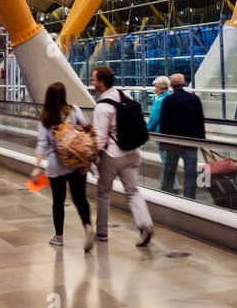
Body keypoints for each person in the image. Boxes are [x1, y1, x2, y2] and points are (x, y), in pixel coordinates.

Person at [91, 65, 154, 246]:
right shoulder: (126, 96)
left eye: (94, 79)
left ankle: (101, 233)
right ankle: (145, 224)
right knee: (132, 191)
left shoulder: (102, 107)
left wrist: (92, 159)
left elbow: (100, 138)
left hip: (112, 155)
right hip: (132, 152)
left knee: (103, 193)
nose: (93, 83)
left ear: (102, 82)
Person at [32, 82, 95, 250]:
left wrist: (37, 166)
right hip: (75, 161)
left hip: (55, 165)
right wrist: (88, 161)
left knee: (58, 201)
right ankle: (87, 225)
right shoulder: (74, 110)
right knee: (80, 198)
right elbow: (85, 132)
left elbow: (41, 143)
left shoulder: (45, 118)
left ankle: (58, 237)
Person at [158, 73, 204, 200]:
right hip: (190, 143)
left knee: (169, 170)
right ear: (183, 84)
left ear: (171, 86)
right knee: (190, 173)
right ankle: (190, 198)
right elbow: (200, 121)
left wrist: (163, 142)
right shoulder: (194, 99)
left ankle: (165, 195)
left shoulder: (168, 101)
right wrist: (202, 141)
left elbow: (164, 122)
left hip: (173, 143)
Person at [146, 76, 173, 190]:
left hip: (161, 133)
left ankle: (169, 185)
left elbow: (153, 119)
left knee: (166, 160)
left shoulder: (159, 100)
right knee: (170, 160)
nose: (154, 89)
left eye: (156, 87)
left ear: (161, 88)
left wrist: (147, 131)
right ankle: (167, 183)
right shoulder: (172, 97)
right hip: (173, 134)